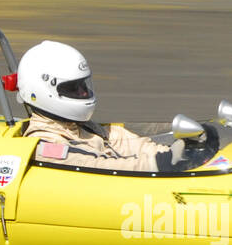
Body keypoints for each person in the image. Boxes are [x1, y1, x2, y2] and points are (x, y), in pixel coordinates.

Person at [17, 40, 185, 171]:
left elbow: (125, 142)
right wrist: (161, 163)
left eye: (83, 85)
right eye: (73, 88)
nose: (83, 93)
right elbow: (102, 166)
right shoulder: (46, 146)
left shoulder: (79, 127)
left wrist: (178, 150)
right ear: (41, 90)